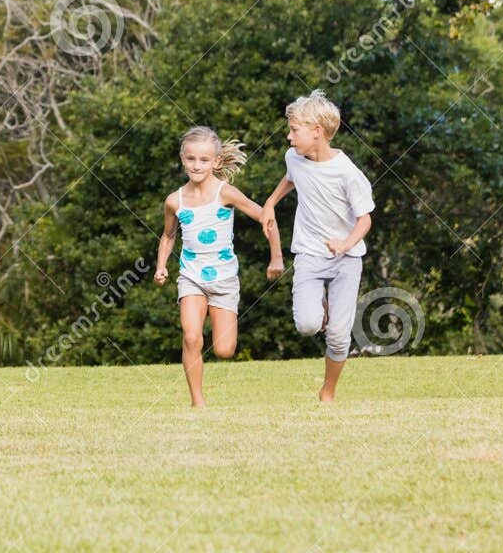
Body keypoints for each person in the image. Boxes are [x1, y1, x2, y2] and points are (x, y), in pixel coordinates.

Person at [154, 126, 284, 407]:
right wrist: (161, 265)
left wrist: (276, 257)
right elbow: (168, 235)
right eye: (190, 159)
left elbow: (266, 218)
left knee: (225, 350)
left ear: (216, 162)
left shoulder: (226, 193)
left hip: (224, 280)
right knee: (191, 337)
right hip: (191, 277)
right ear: (182, 158)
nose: (196, 165)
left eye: (203, 160)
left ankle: (219, 332)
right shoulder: (174, 201)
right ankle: (197, 402)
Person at [259, 90, 374, 402]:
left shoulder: (348, 173)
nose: (288, 136)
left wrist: (345, 242)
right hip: (309, 252)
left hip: (347, 258)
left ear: (317, 132)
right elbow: (291, 178)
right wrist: (270, 203)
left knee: (338, 336)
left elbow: (365, 220)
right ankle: (319, 306)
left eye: (294, 130)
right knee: (308, 325)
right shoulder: (294, 157)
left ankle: (328, 392)